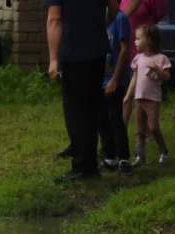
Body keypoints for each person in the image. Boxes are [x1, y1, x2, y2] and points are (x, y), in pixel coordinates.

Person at [46, 0, 107, 180]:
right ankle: (90, 160)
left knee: (76, 111)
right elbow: (112, 8)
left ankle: (83, 166)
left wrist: (53, 59)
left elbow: (54, 20)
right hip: (98, 49)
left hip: (73, 51)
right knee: (92, 107)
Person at [125, 22, 172, 165]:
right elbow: (135, 77)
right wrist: (128, 95)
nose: (135, 41)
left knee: (153, 127)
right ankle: (140, 156)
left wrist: (157, 69)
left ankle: (163, 151)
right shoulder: (138, 59)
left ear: (149, 40)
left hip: (153, 100)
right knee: (140, 129)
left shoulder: (161, 59)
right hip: (139, 98)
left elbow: (167, 77)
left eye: (138, 38)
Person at [100, 0, 132, 171]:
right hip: (99, 79)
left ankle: (123, 157)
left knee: (115, 118)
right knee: (101, 119)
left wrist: (114, 79)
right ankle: (108, 155)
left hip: (114, 79)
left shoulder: (120, 19)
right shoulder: (98, 18)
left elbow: (124, 50)